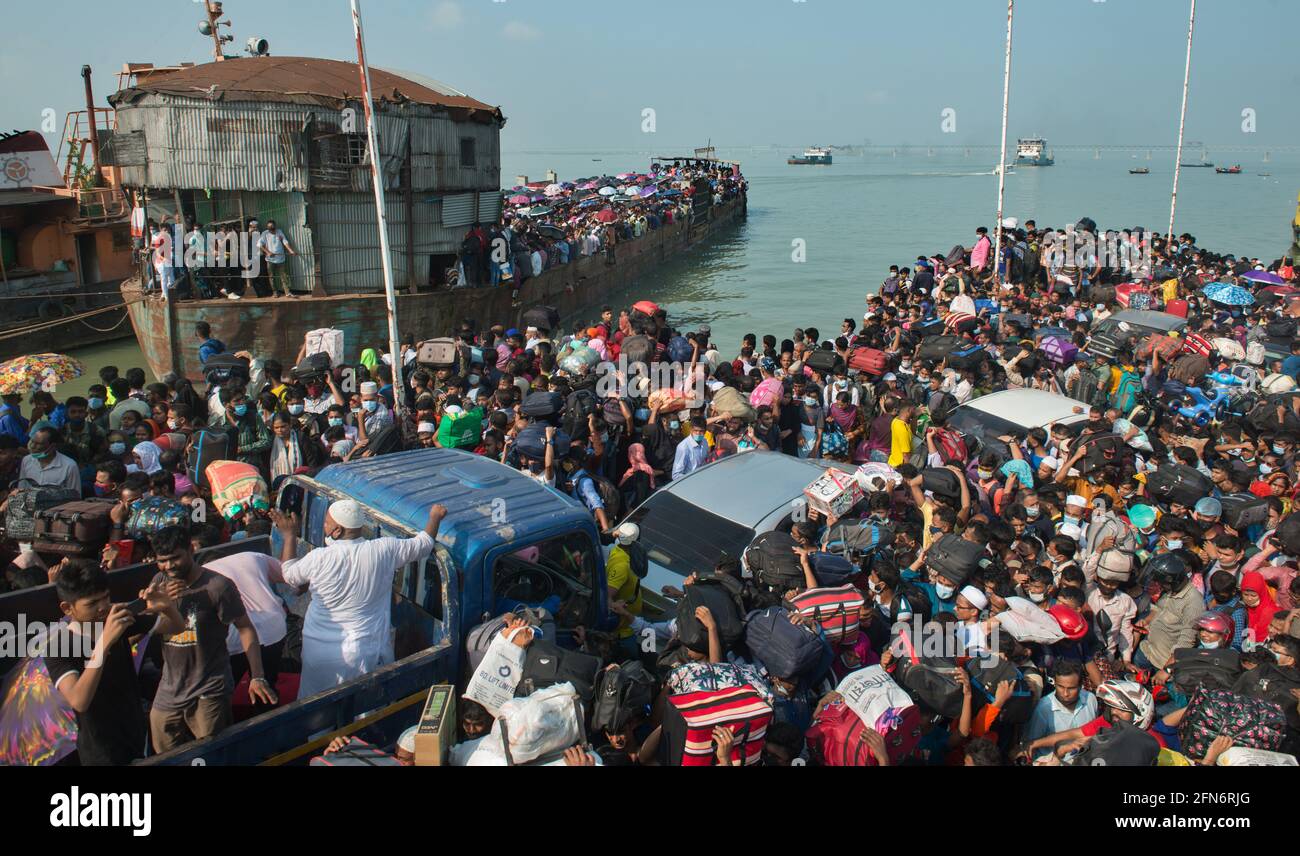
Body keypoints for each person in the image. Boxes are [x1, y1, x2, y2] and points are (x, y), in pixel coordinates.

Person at [269, 499, 447, 698]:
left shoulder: (318, 558)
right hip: (362, 654)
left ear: (337, 530)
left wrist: (289, 535)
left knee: (316, 705)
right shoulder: (384, 549)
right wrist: (435, 517)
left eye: (326, 523)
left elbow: (289, 575)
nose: (324, 526)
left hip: (317, 653)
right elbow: (423, 544)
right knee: (360, 707)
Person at [147, 526, 276, 753]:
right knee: (164, 755)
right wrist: (155, 603)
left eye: (175, 558)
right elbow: (149, 625)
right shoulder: (160, 581)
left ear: (191, 550)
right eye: (162, 561)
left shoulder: (218, 586)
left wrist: (257, 676)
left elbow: (245, 628)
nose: (169, 566)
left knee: (210, 754)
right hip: (169, 689)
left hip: (209, 689)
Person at [46, 561, 178, 764]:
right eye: (91, 603)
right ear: (67, 608)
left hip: (136, 736)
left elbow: (176, 626)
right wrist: (104, 642)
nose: (102, 608)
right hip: (101, 751)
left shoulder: (117, 620)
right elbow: (79, 700)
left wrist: (167, 607)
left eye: (106, 598)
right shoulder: (59, 647)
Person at [1022, 660, 1098, 744]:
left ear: (1080, 686)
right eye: (1061, 687)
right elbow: (1030, 744)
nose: (1065, 694)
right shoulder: (1042, 709)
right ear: (1054, 683)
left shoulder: (1090, 699)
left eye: (1071, 688)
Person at [18, 427, 81, 492]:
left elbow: (75, 494)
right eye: (32, 441)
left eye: (39, 444)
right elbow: (21, 488)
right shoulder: (26, 460)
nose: (32, 446)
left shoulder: (69, 466)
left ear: (52, 446)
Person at [258, 218, 298, 297]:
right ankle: (275, 292)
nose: (271, 230)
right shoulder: (265, 233)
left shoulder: (279, 232)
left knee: (283, 276)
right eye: (269, 228)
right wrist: (268, 252)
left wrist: (291, 251)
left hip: (280, 258)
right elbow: (259, 244)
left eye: (272, 227)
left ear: (275, 226)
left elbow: (285, 242)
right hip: (270, 259)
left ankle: (287, 292)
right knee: (271, 277)